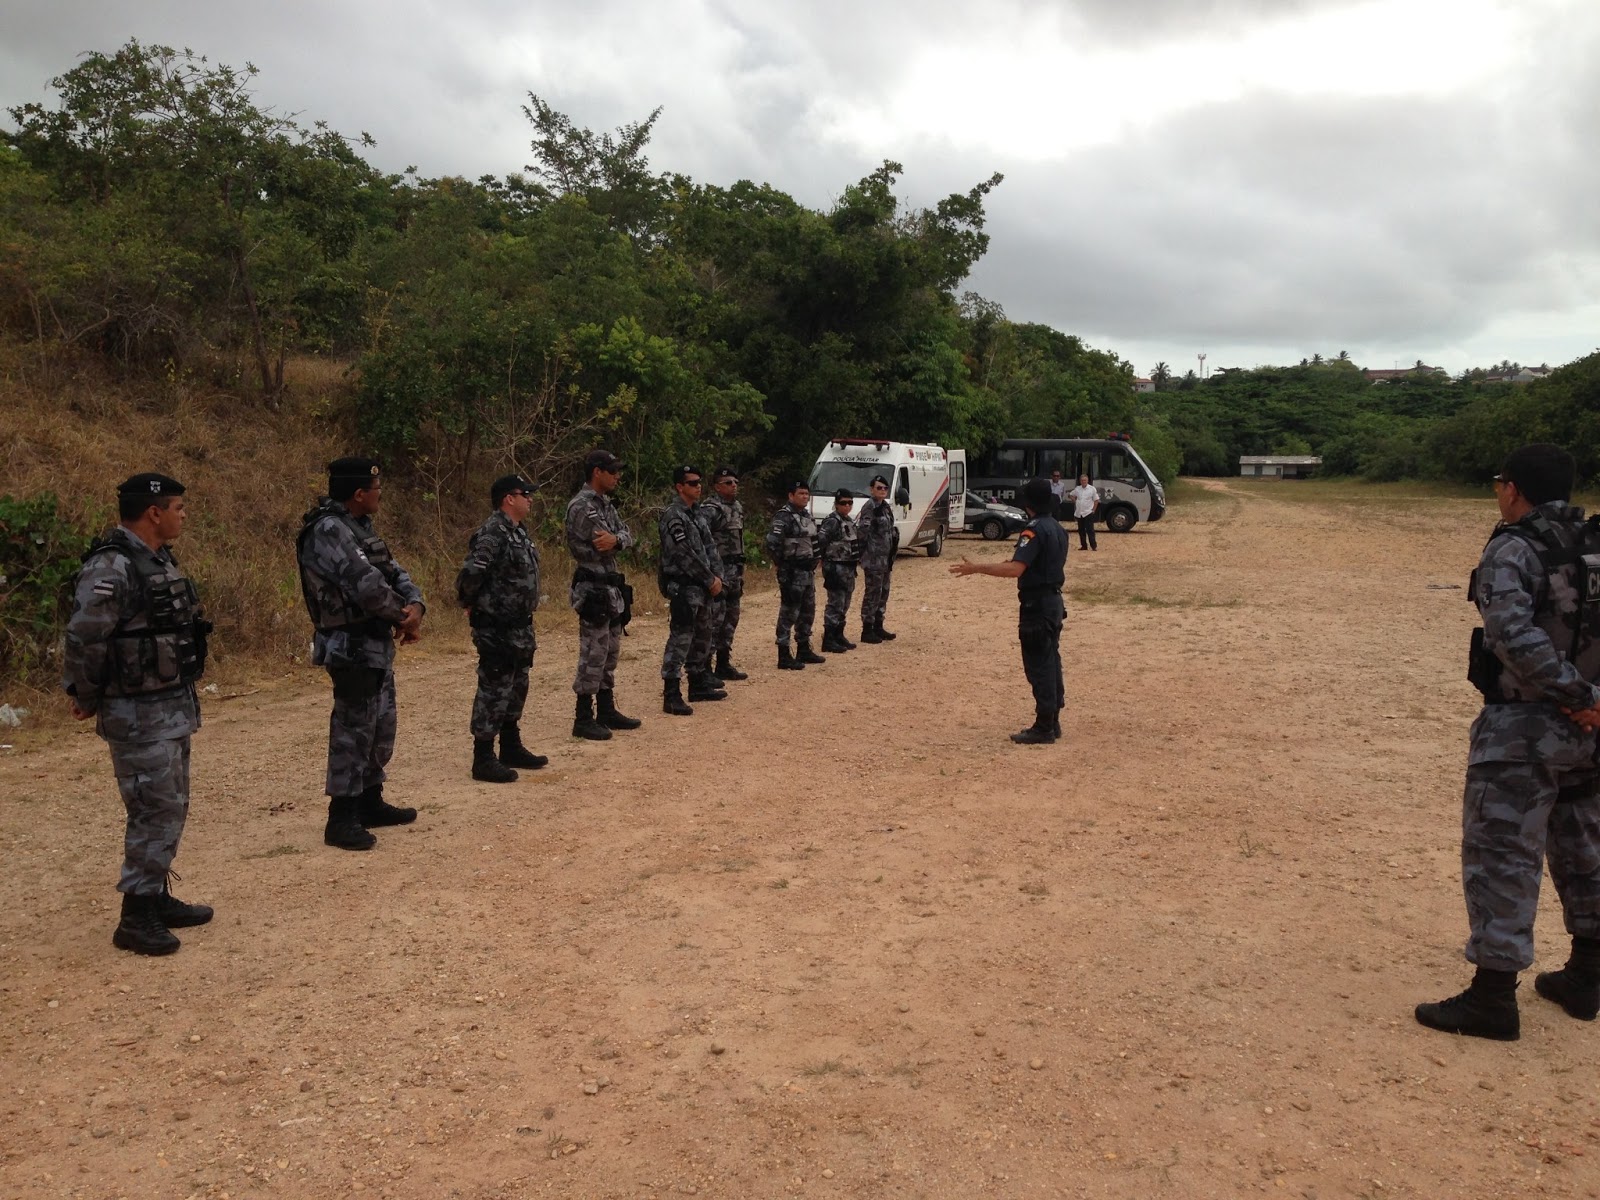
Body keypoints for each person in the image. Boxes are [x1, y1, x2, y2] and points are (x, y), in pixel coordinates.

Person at [1415, 443, 1600, 1041]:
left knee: (1502, 854)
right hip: (1590, 730)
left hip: (1526, 727)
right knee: (1584, 846)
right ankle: (1588, 974)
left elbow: (1513, 637)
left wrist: (1574, 693)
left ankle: (1493, 998)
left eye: (1500, 484)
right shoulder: (1595, 544)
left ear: (1514, 488)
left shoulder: (1514, 547)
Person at [64, 473, 213, 955]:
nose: (183, 515)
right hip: (136, 713)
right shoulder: (112, 566)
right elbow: (85, 638)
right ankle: (135, 916)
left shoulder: (157, 560)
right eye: (178, 507)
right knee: (153, 808)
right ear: (154, 512)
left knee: (171, 805)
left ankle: (155, 895)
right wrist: (85, 695)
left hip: (169, 706)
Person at [297, 457, 425, 851]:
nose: (380, 494)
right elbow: (365, 584)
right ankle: (342, 817)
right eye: (376, 488)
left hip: (374, 642)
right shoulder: (328, 530)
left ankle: (370, 800)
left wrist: (415, 604)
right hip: (349, 644)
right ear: (358, 493)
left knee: (379, 726)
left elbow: (393, 571)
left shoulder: (358, 527)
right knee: (353, 731)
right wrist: (402, 617)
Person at [948, 477, 1067, 744]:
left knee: (1039, 665)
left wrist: (977, 568)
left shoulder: (1033, 530)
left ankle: (1044, 725)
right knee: (1051, 661)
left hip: (1037, 606)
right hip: (1053, 602)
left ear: (1028, 503)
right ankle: (1053, 720)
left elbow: (1016, 569)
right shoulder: (1057, 528)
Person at [457, 473, 546, 784]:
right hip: (496, 626)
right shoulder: (493, 532)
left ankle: (510, 745)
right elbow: (471, 573)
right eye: (525, 494)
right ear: (509, 498)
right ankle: (483, 757)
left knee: (518, 684)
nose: (530, 499)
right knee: (494, 687)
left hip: (519, 626)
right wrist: (473, 604)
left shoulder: (518, 532)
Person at [565, 450, 642, 740]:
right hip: (593, 587)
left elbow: (624, 535)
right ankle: (583, 717)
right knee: (593, 652)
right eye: (612, 471)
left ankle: (606, 708)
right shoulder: (581, 506)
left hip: (610, 586)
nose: (617, 476)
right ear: (597, 472)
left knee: (610, 650)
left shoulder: (605, 504)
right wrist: (618, 540)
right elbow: (603, 543)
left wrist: (619, 539)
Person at [657, 464, 726, 715]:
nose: (698, 487)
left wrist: (718, 577)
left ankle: (697, 682)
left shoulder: (696, 513)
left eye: (699, 482)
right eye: (692, 483)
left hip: (704, 586)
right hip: (685, 587)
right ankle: (671, 693)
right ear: (679, 487)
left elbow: (710, 547)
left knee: (703, 635)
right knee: (681, 638)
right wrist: (709, 579)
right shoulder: (673, 516)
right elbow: (682, 554)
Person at [767, 481, 826, 670]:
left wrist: (817, 559)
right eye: (800, 493)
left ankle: (803, 648)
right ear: (791, 495)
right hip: (792, 572)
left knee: (808, 611)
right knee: (789, 612)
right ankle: (783, 653)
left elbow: (814, 540)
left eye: (806, 494)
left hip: (807, 572)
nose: (804, 497)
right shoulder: (783, 517)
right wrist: (782, 566)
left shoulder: (806, 516)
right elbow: (772, 544)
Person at [701, 466, 749, 681]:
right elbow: (702, 540)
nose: (734, 486)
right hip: (718, 569)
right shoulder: (710, 509)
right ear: (717, 486)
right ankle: (705, 667)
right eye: (728, 482)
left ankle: (723, 662)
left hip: (735, 569)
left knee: (731, 617)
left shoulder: (737, 507)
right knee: (715, 619)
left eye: (736, 482)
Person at [816, 487, 863, 653]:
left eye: (850, 503)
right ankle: (828, 639)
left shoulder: (848, 521)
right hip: (835, 567)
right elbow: (821, 540)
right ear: (836, 504)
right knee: (835, 604)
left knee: (844, 603)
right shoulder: (832, 522)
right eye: (844, 503)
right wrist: (823, 560)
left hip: (848, 568)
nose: (847, 506)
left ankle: (838, 635)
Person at [857, 474, 898, 643]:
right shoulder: (870, 507)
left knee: (883, 593)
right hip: (873, 559)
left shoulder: (885, 507)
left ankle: (878, 626)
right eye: (879, 488)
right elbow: (862, 533)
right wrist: (862, 555)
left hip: (885, 559)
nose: (882, 491)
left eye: (885, 488)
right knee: (872, 593)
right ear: (871, 489)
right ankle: (867, 630)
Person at [1068, 474, 1100, 551]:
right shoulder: (1077, 489)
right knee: (1081, 530)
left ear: (1087, 480)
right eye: (1082, 480)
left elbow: (1096, 500)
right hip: (1079, 513)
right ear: (1080, 481)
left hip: (1088, 512)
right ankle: (1084, 546)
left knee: (1090, 530)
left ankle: (1093, 546)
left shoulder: (1092, 489)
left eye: (1085, 480)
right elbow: (1070, 495)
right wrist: (1074, 500)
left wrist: (1093, 510)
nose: (1083, 482)